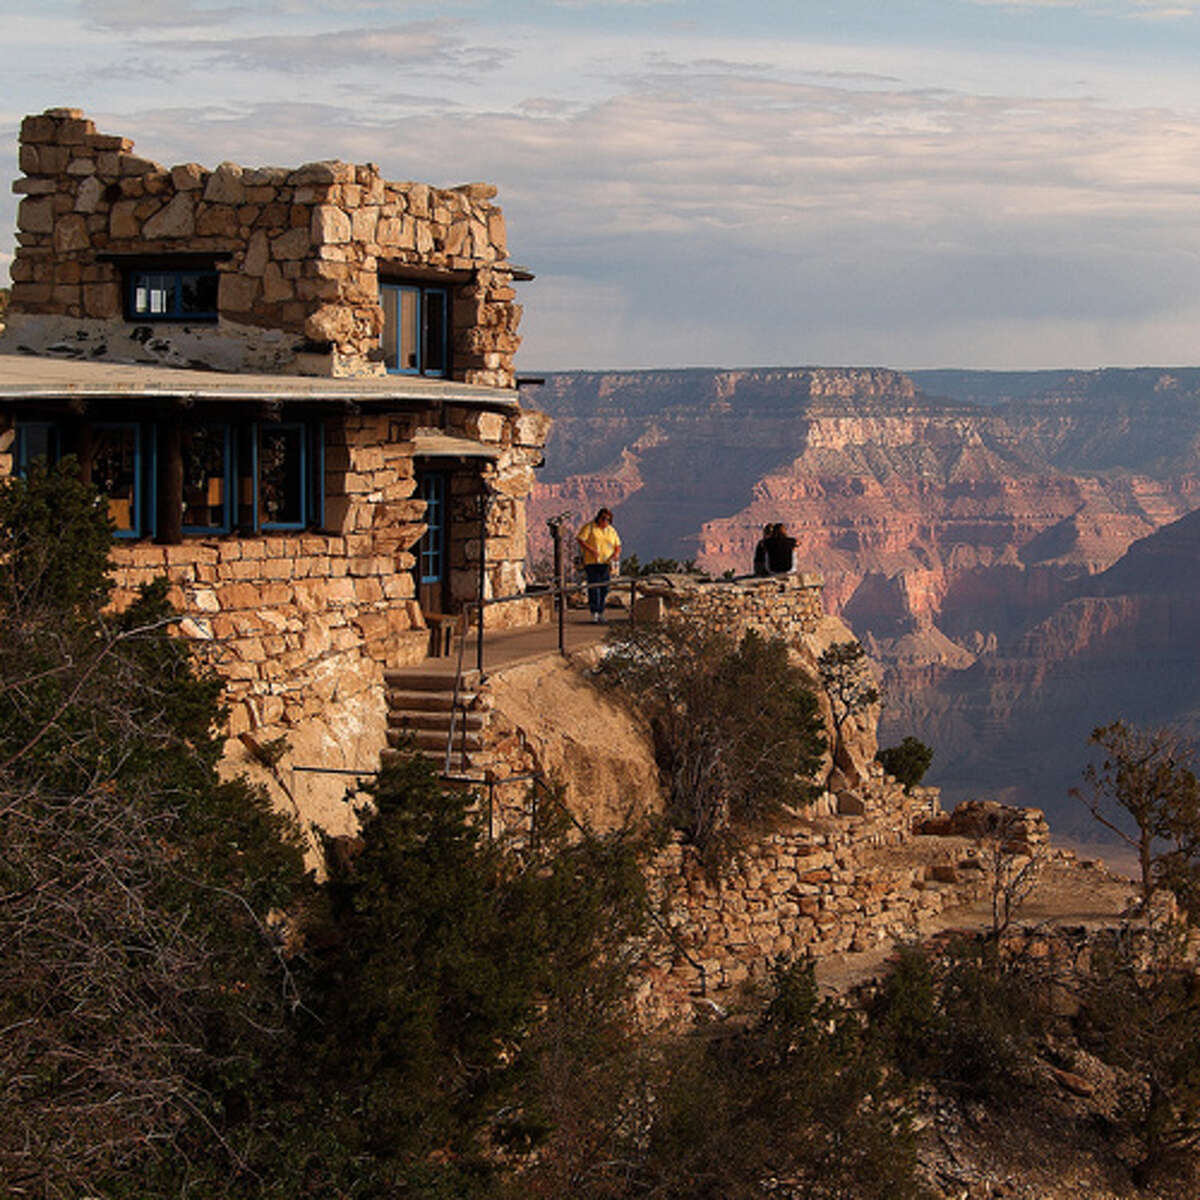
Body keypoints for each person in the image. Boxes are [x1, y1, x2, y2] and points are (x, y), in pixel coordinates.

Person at [576, 508, 621, 622]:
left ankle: (601, 611)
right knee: (594, 587)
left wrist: (616, 554)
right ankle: (595, 611)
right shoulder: (590, 527)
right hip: (592, 562)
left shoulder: (611, 530)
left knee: (605, 588)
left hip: (606, 563)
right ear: (599, 518)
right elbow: (580, 539)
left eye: (608, 519)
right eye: (604, 519)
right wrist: (591, 549)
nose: (606, 521)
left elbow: (618, 545)